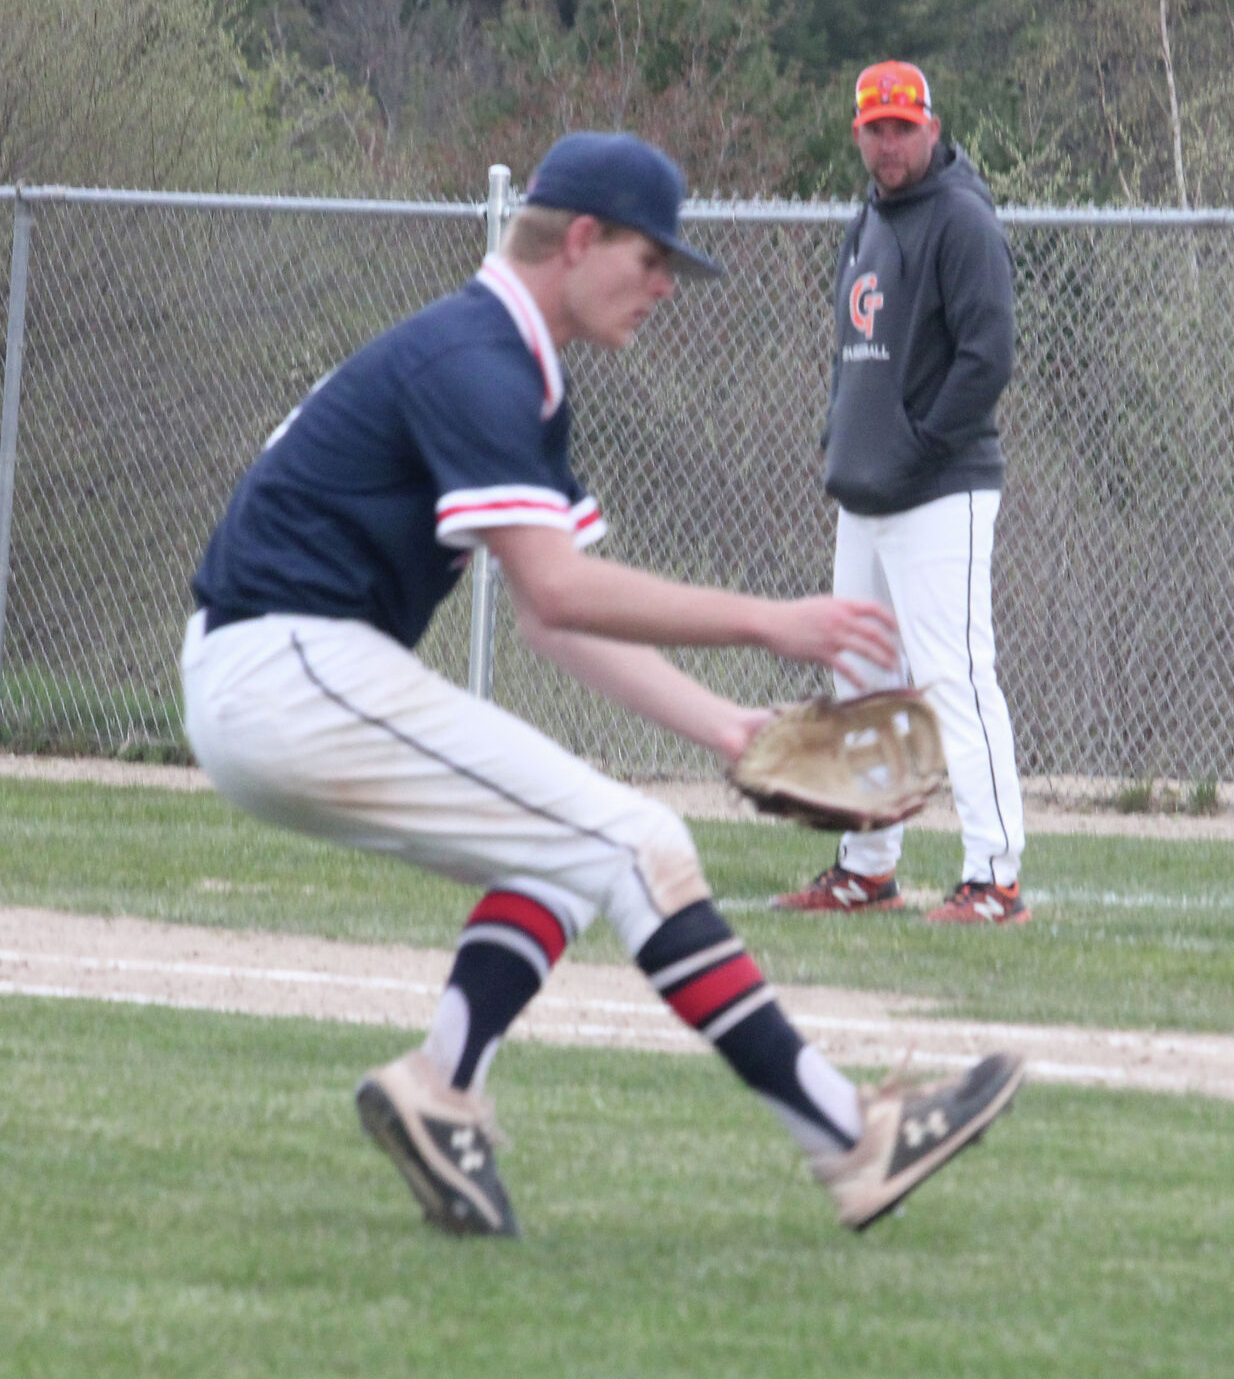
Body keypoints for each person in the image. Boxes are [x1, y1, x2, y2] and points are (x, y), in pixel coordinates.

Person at [180, 131, 1023, 1238]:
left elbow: (551, 619)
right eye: (651, 257)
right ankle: (850, 1137)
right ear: (580, 238)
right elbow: (562, 589)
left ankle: (440, 1088)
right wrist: (767, 621)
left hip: (293, 672)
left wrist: (727, 727)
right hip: (285, 670)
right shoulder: (478, 358)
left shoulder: (509, 360)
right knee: (637, 843)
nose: (664, 285)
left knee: (572, 847)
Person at [772, 61, 1029, 926]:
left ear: (932, 128)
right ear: (858, 134)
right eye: (874, 129)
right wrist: (843, 438)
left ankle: (994, 877)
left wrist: (917, 446)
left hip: (941, 490)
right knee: (863, 684)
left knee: (954, 678)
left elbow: (987, 358)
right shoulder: (869, 219)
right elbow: (854, 353)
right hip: (869, 494)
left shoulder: (961, 218)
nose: (889, 143)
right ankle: (867, 867)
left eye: (902, 128)